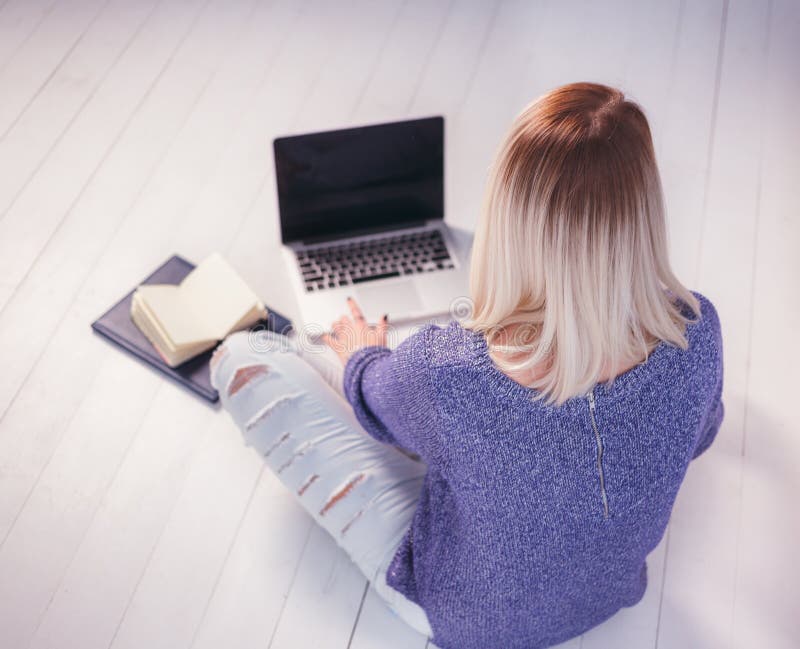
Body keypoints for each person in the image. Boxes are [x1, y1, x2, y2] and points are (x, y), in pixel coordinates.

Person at [211, 82, 725, 649]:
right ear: (643, 212)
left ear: (509, 215)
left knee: (242, 356)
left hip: (466, 621)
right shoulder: (699, 332)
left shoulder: (451, 371)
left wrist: (360, 349)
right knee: (436, 426)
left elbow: (370, 399)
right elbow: (699, 434)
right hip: (609, 592)